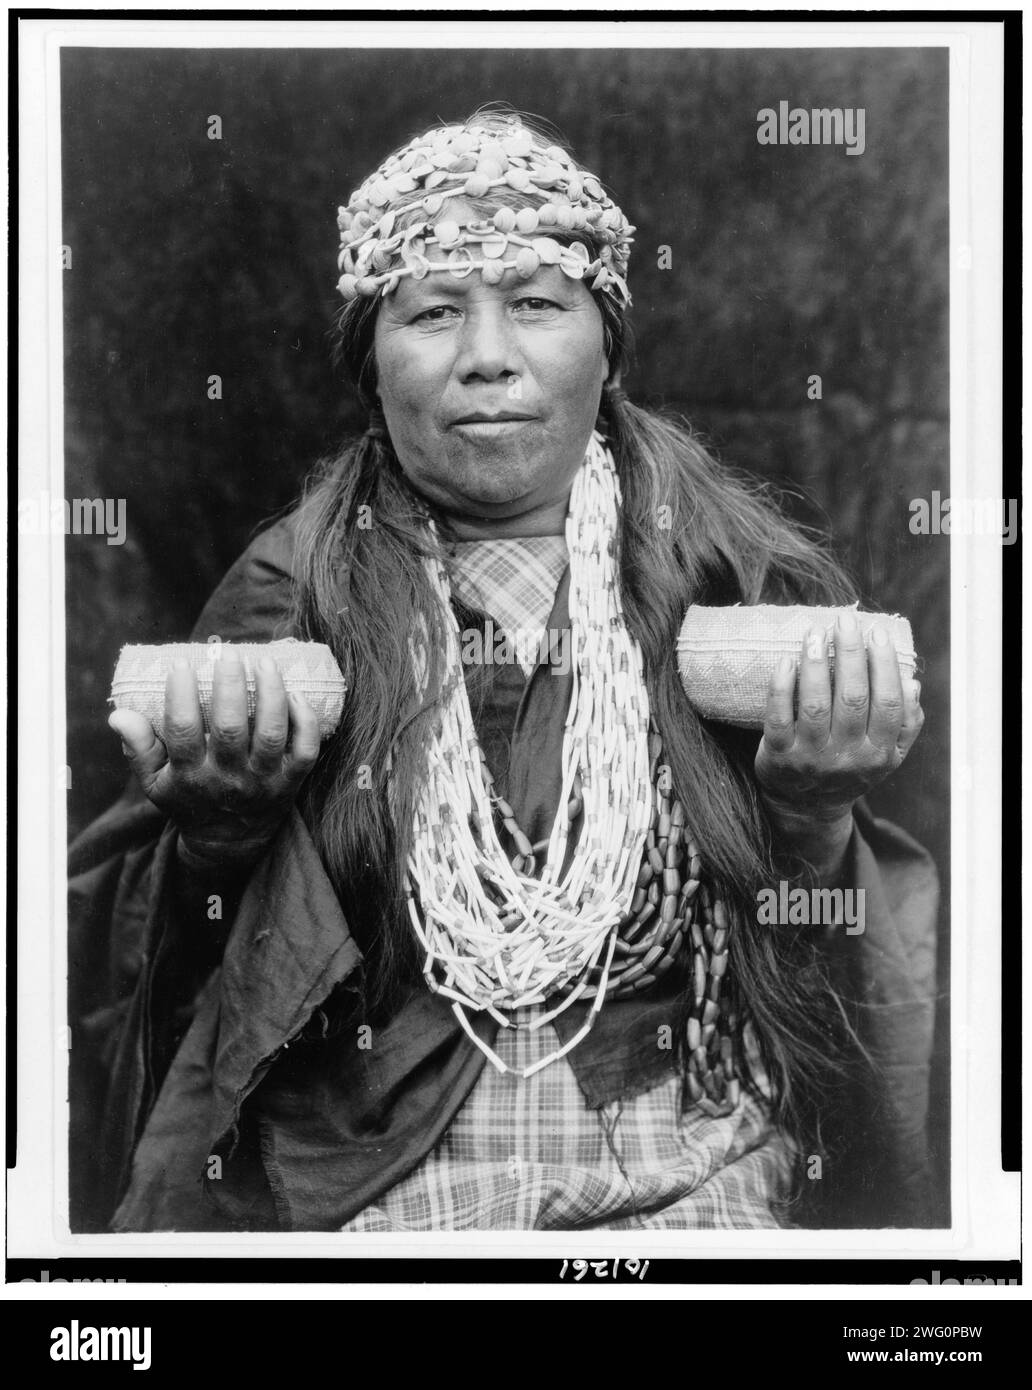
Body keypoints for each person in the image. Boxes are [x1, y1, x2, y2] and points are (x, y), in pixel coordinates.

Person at [69, 110, 939, 1233]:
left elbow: (816, 938)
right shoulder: (292, 591)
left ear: (607, 342)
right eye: (433, 311)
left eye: (537, 301)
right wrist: (221, 839)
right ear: (369, 365)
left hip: (691, 1160)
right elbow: (162, 957)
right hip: (376, 1180)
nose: (487, 353)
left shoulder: (730, 570)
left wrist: (811, 814)